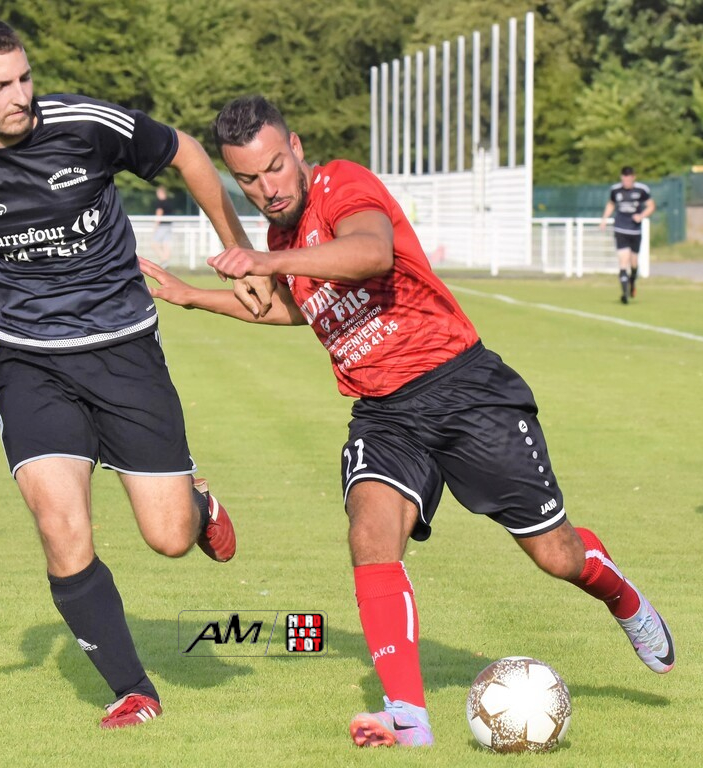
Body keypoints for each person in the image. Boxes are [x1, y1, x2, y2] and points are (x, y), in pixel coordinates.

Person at [140, 95, 675, 749]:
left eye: (274, 167)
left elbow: (368, 253)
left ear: (297, 148)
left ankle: (618, 594)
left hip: (463, 391)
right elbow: (303, 309)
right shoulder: (280, 237)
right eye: (247, 179)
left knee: (555, 555)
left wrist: (266, 262)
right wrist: (193, 296)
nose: (266, 188)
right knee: (369, 533)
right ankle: (406, 716)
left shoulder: (342, 184)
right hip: (382, 412)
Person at [0, 17, 268, 730]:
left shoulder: (86, 125)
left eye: (24, 77)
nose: (20, 95)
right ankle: (133, 690)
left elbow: (191, 157)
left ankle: (197, 502)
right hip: (29, 364)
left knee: (167, 538)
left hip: (124, 351)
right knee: (60, 527)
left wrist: (242, 253)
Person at [600, 166, 655, 304]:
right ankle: (624, 294)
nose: (626, 181)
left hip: (635, 231)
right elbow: (611, 204)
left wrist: (641, 216)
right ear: (621, 178)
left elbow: (651, 206)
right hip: (620, 229)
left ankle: (632, 283)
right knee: (623, 261)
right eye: (624, 178)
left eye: (629, 178)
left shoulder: (642, 190)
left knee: (634, 263)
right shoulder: (615, 190)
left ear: (633, 178)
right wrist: (604, 219)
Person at [151, 185, 175, 267]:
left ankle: (163, 260)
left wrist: (155, 226)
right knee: (166, 244)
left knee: (154, 244)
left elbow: (159, 214)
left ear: (160, 193)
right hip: (169, 225)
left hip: (162, 226)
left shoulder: (160, 203)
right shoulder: (170, 202)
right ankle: (166, 262)